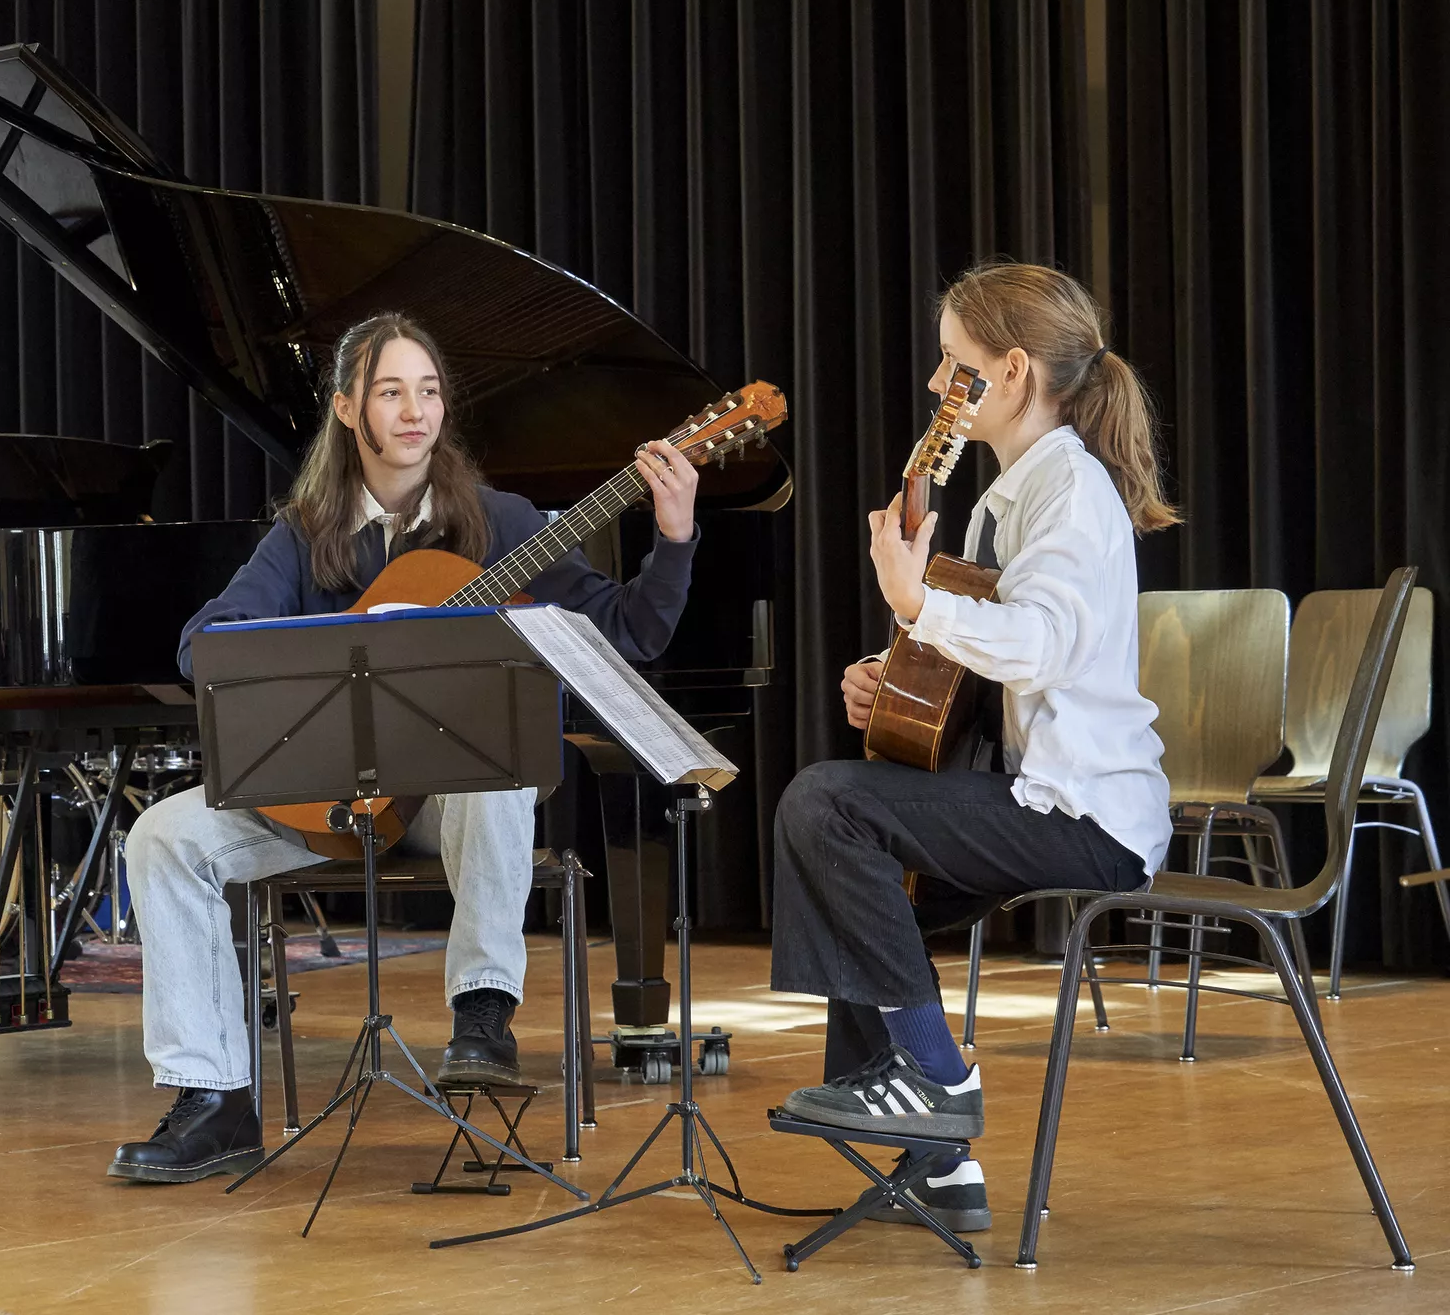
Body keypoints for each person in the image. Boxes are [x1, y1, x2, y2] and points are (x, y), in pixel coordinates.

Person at [108, 312, 703, 1183]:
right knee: (161, 835)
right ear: (348, 409)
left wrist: (675, 537)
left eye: (428, 391)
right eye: (391, 392)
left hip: (445, 804)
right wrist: (319, 645)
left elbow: (629, 632)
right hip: (328, 796)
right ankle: (214, 1099)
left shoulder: (500, 521)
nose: (415, 411)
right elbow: (206, 642)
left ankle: (482, 1017)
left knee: (495, 762)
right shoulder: (304, 530)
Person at [770, 261, 1176, 1232]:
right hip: (1037, 794)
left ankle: (935, 1082)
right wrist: (892, 670)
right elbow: (987, 657)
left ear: (1010, 371)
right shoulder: (1014, 492)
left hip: (1086, 814)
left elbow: (1040, 644)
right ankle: (940, 1171)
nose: (932, 383)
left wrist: (915, 602)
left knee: (826, 805)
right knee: (853, 883)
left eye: (951, 362)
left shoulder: (1069, 490)